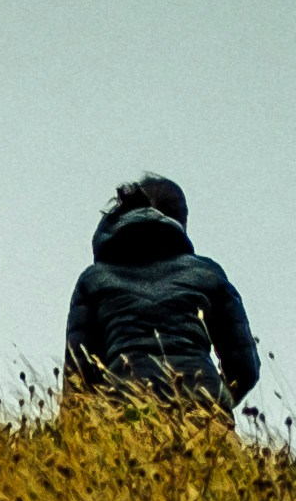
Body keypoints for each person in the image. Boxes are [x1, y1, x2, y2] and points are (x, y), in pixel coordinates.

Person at [63, 174, 259, 411]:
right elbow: (244, 368)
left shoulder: (93, 280)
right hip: (202, 413)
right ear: (180, 221)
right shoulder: (208, 274)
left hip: (124, 413)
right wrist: (213, 403)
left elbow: (78, 376)